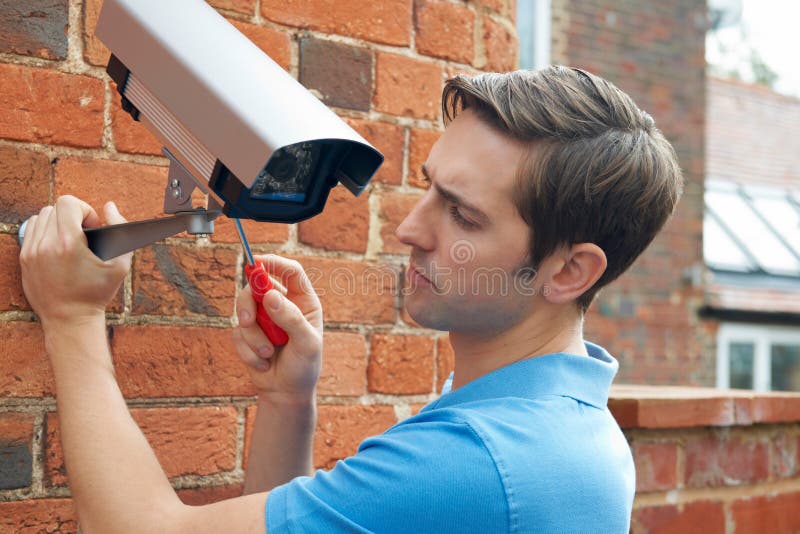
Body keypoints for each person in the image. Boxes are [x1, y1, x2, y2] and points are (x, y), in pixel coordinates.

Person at [19, 66, 682, 533]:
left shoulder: (481, 460)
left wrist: (72, 317)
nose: (410, 229)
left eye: (463, 216)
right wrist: (288, 402)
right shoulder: (560, 427)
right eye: (429, 189)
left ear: (570, 271)